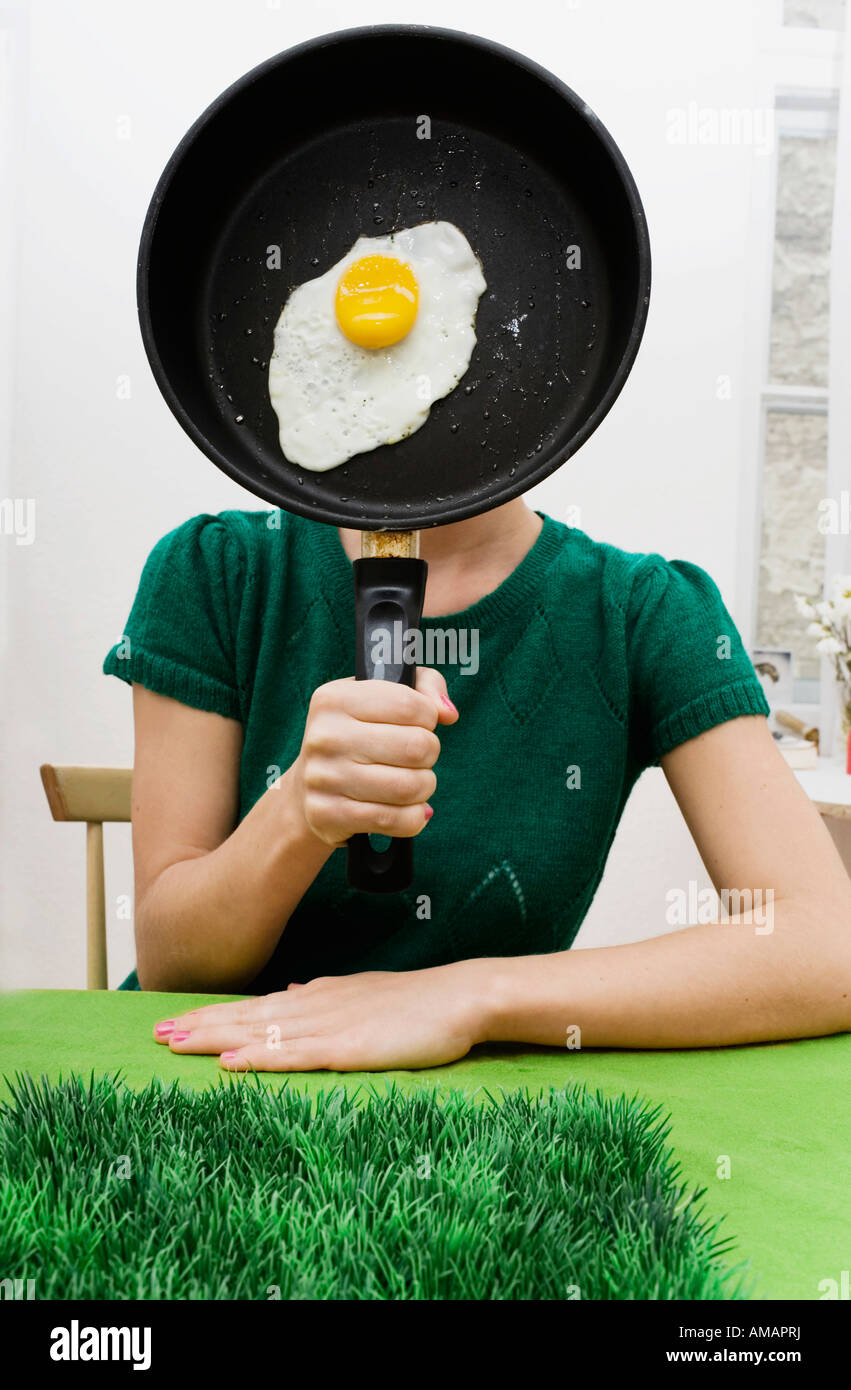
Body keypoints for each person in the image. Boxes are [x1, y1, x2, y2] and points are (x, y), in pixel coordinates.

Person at [103, 498, 851, 1071]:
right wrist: (298, 809)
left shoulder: (641, 610)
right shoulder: (219, 569)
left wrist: (470, 996)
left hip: (479, 1102)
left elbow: (827, 947)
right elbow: (174, 965)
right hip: (206, 1076)